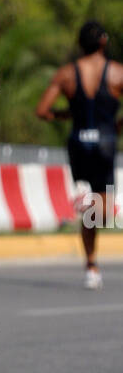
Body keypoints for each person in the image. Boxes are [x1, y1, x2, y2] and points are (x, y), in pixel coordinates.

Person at [36, 21, 123, 289]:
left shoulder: (66, 74)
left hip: (78, 144)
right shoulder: (117, 73)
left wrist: (67, 114)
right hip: (106, 143)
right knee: (104, 211)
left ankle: (91, 262)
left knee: (93, 208)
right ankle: (91, 259)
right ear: (104, 43)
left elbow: (42, 111)